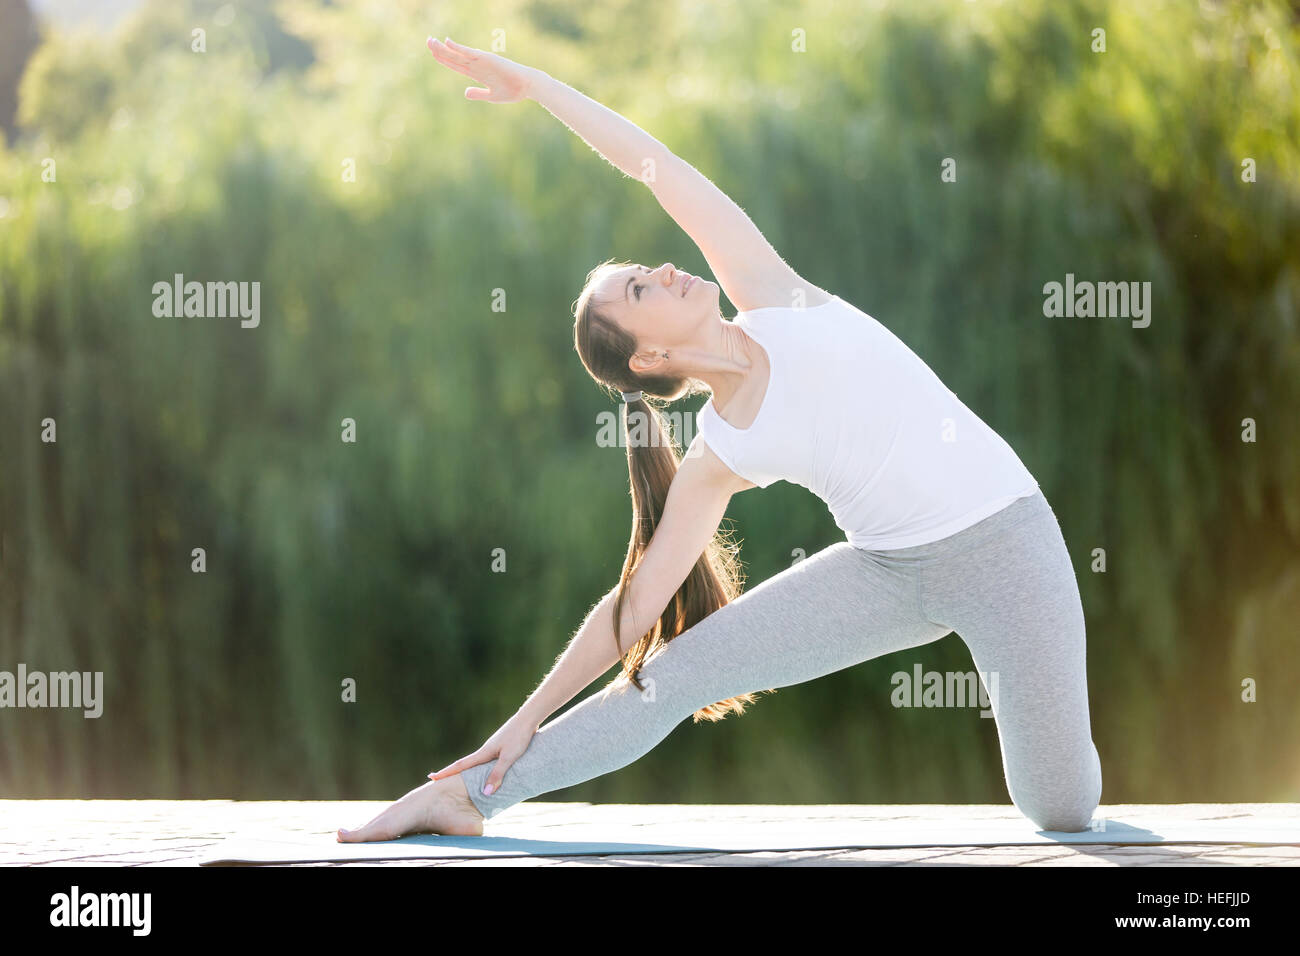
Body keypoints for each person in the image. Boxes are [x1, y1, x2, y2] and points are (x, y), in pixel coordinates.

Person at [337, 37, 1102, 842]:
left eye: (645, 266)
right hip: (889, 571)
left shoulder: (771, 293)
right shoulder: (721, 452)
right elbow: (634, 609)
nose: (664, 269)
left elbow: (651, 163)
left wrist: (535, 85)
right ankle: (470, 797)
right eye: (640, 288)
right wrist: (523, 718)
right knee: (673, 675)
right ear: (648, 357)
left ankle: (1067, 743)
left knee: (1059, 808)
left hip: (1009, 544)